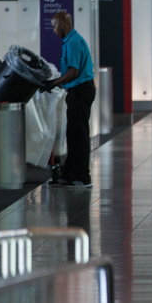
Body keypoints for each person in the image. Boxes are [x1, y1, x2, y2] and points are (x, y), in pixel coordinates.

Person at [46, 11, 95, 188]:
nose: (54, 31)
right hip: (78, 90)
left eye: (55, 27)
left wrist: (54, 83)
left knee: (79, 134)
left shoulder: (73, 42)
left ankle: (82, 177)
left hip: (81, 91)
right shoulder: (71, 40)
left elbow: (73, 72)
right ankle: (70, 174)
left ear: (63, 24)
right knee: (73, 134)